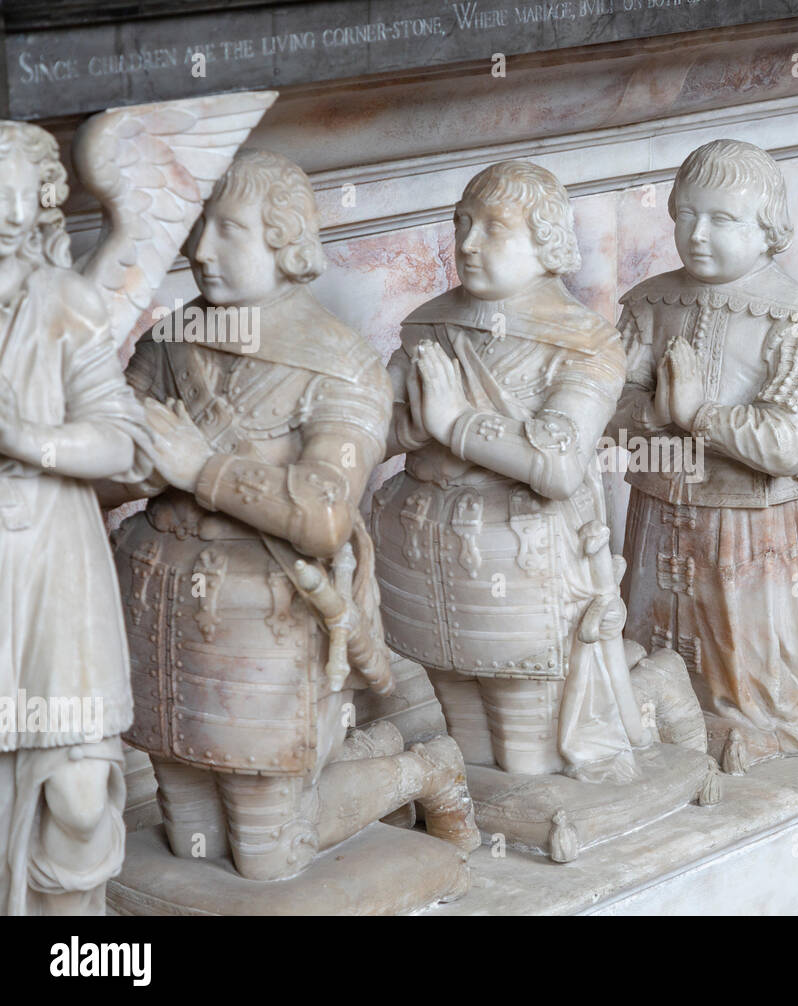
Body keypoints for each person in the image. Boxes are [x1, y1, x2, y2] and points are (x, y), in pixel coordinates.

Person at [109, 148, 476, 882]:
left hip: (266, 613)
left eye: (229, 230)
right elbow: (109, 469)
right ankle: (369, 754)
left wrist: (198, 468)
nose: (200, 250)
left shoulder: (338, 361)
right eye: (196, 226)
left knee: (271, 851)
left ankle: (420, 769)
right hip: (157, 600)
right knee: (190, 834)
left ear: (284, 241)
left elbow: (326, 515)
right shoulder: (171, 342)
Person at [613, 139, 798, 773]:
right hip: (661, 509)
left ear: (768, 228)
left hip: (758, 523)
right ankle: (663, 708)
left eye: (723, 219)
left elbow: (786, 443)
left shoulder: (796, 319)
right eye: (686, 215)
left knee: (754, 668)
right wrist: (654, 414)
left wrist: (698, 417)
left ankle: (757, 719)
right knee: (657, 638)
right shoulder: (651, 304)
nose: (697, 234)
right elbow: (603, 421)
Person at [372, 160, 651, 784]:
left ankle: (536, 822)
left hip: (524, 560)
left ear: (547, 241)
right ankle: (475, 820)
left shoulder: (582, 340)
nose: (467, 243)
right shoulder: (432, 324)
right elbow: (365, 437)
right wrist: (409, 429)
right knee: (464, 730)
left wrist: (453, 425)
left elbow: (557, 465)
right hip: (428, 550)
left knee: (529, 751)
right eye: (461, 224)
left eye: (493, 228)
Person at [0, 121, 150, 914]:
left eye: (7, 183)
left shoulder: (66, 303)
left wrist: (28, 439)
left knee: (81, 794)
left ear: (40, 198)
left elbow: (123, 440)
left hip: (57, 560)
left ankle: (76, 954)